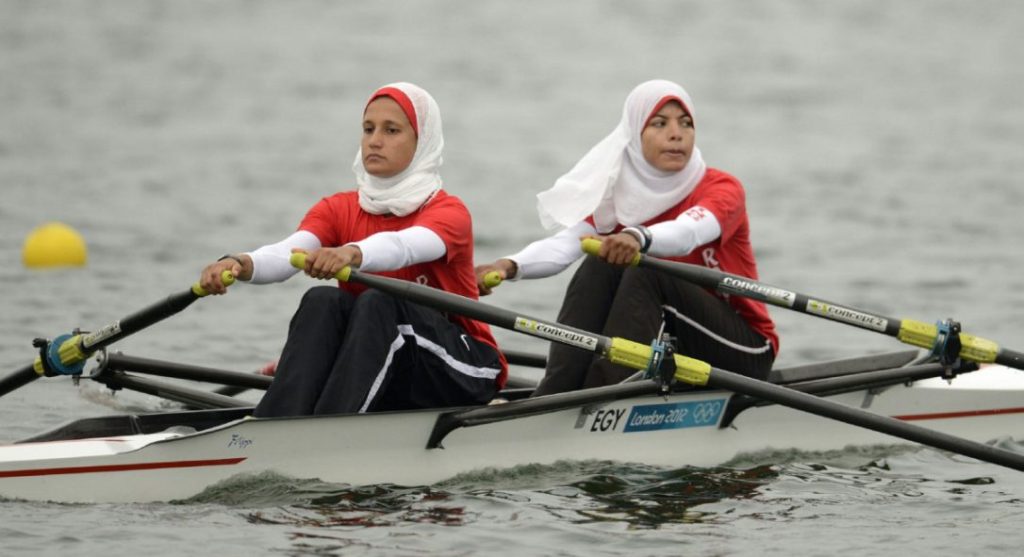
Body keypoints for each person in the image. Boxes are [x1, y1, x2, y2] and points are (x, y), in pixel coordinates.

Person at [199, 82, 507, 417]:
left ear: (422, 142)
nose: (374, 141)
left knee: (380, 302)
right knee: (322, 300)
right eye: (368, 129)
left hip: (465, 368)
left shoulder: (449, 212)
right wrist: (238, 263)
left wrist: (350, 253)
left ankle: (328, 428)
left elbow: (404, 246)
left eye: (391, 130)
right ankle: (275, 423)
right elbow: (287, 253)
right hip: (388, 364)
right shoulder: (338, 208)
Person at [475, 79, 777, 396]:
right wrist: (508, 266)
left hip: (745, 350)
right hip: (678, 345)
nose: (676, 133)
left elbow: (688, 232)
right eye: (659, 123)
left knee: (648, 270)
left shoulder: (722, 188)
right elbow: (565, 244)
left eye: (686, 123)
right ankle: (556, 393)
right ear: (634, 135)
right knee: (600, 261)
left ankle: (603, 394)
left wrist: (636, 235)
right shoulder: (618, 199)